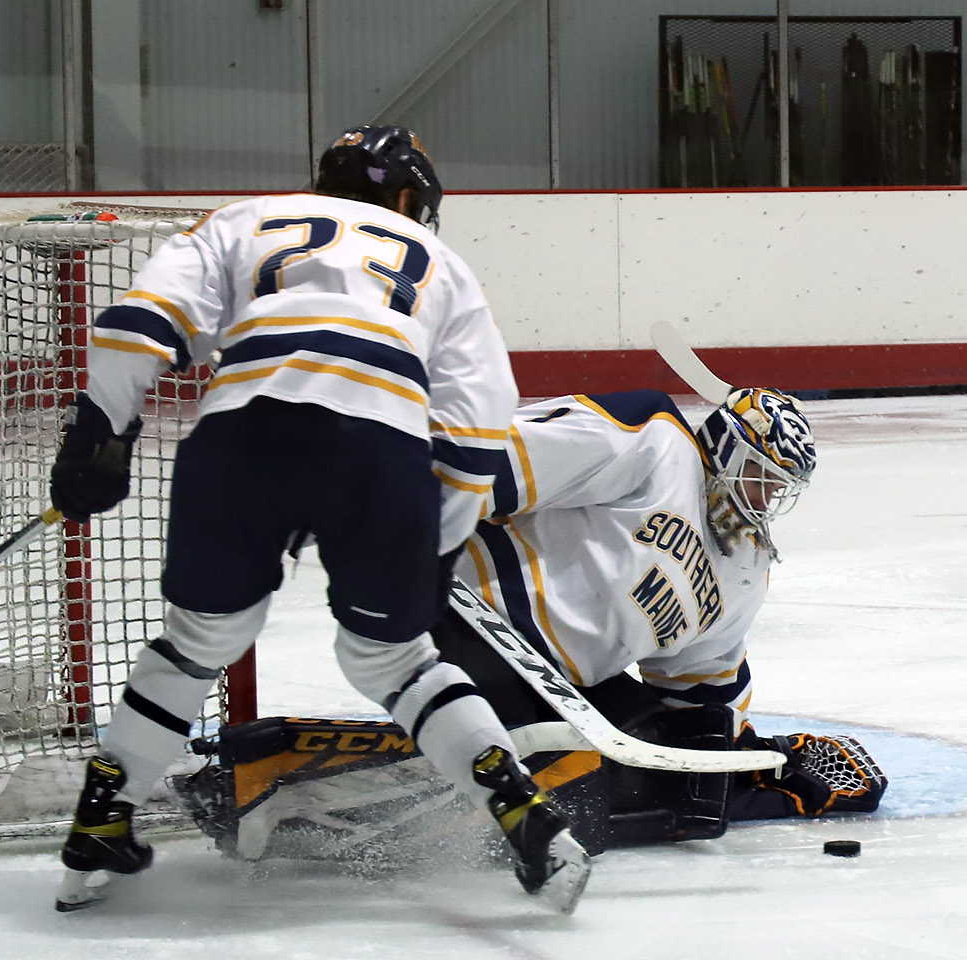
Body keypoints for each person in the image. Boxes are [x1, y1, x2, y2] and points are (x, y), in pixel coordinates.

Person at [46, 125, 591, 913]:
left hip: (242, 438)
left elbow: (137, 326)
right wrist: (432, 545)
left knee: (200, 640)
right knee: (395, 660)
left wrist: (102, 434)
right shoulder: (444, 265)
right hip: (380, 453)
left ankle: (101, 820)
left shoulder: (244, 218)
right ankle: (525, 814)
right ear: (408, 200)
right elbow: (478, 432)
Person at [435, 386, 886, 842]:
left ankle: (474, 773)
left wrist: (737, 762)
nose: (765, 498)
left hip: (554, 685)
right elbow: (492, 461)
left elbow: (702, 689)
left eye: (778, 487)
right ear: (726, 448)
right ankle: (446, 806)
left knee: (690, 791)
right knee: (569, 786)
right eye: (759, 475)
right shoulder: (654, 440)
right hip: (461, 611)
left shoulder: (744, 567)